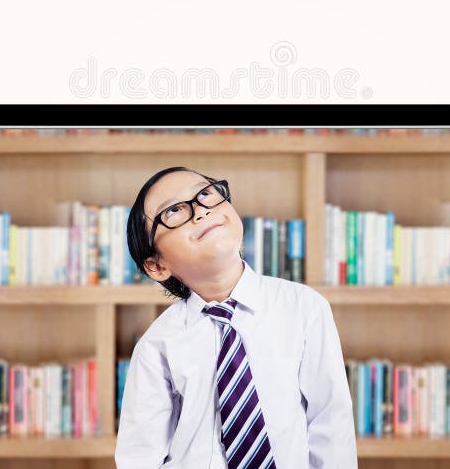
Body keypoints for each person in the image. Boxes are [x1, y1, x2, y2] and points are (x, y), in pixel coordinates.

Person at [115, 165, 358, 469]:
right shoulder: (157, 344)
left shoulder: (304, 307)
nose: (200, 211)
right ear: (156, 266)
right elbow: (140, 456)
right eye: (174, 211)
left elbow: (331, 423)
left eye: (205, 194)